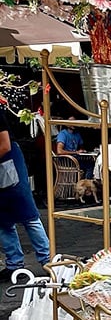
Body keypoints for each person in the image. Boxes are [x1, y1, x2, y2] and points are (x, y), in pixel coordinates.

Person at [0, 108, 51, 282]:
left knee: (28, 214)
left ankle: (47, 261)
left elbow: (5, 145)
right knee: (2, 219)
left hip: (9, 161)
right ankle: (14, 264)